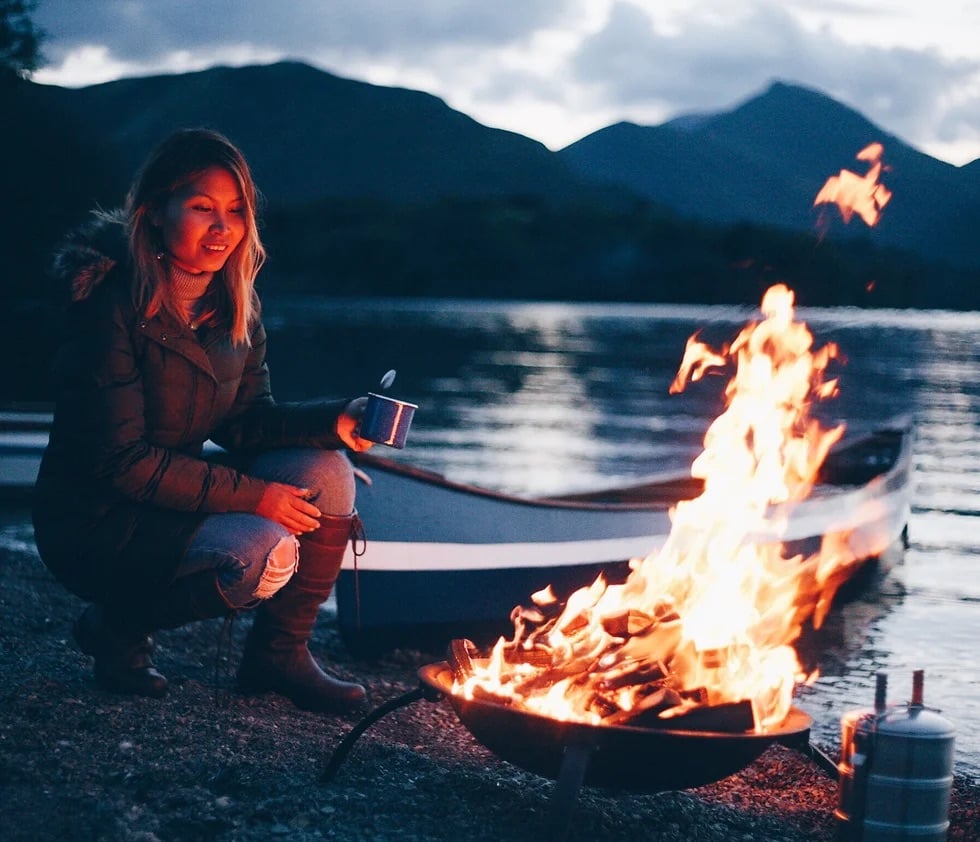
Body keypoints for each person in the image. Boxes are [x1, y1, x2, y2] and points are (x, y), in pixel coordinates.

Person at [32, 128, 373, 712]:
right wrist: (256, 497)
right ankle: (117, 625)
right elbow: (121, 463)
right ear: (155, 213)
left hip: (170, 495)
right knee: (264, 551)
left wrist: (336, 420)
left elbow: (244, 423)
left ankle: (279, 656)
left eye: (236, 211)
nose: (223, 228)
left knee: (328, 470)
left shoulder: (233, 303)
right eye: (201, 208)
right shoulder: (109, 306)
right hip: (94, 518)